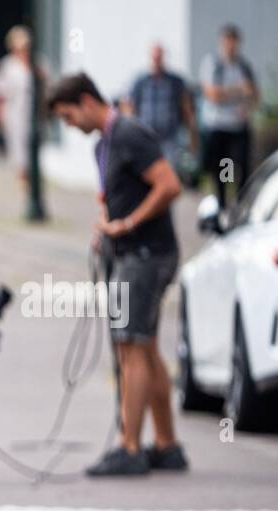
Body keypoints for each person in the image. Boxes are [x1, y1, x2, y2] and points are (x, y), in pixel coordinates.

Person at [47, 73, 188, 477]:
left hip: (144, 255)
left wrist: (126, 225)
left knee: (129, 347)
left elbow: (169, 186)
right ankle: (167, 445)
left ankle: (130, 446)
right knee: (145, 346)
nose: (69, 125)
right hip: (133, 253)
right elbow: (120, 195)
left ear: (88, 101)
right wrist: (107, 225)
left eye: (68, 115)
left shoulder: (129, 134)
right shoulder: (105, 144)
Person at [198, 23, 259, 207]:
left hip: (238, 125)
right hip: (219, 125)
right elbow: (213, 94)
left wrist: (247, 104)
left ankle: (239, 201)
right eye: (227, 41)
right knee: (224, 167)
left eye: (233, 41)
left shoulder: (243, 66)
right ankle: (223, 202)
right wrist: (239, 90)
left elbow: (254, 94)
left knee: (242, 166)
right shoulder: (213, 64)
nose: (230, 46)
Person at [0, 25, 48, 212]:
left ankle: (35, 195)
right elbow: (0, 95)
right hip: (15, 116)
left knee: (35, 156)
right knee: (20, 159)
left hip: (35, 117)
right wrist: (0, 117)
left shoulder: (38, 63)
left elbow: (48, 88)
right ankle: (28, 196)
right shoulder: (7, 65)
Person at [122, 43, 198, 169]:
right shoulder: (141, 82)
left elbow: (187, 108)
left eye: (159, 57)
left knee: (170, 171)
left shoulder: (176, 82)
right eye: (155, 58)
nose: (157, 61)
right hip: (146, 136)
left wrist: (192, 134)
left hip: (170, 137)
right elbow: (130, 107)